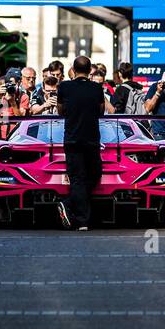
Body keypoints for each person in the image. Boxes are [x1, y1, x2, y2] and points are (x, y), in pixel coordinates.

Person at [56, 54, 105, 231]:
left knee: (77, 179)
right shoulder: (96, 88)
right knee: (94, 174)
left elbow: (60, 111)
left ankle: (69, 205)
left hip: (72, 140)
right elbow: (101, 111)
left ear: (74, 70)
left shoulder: (64, 86)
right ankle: (82, 219)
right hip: (92, 140)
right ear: (90, 69)